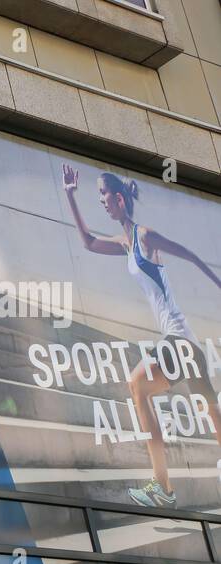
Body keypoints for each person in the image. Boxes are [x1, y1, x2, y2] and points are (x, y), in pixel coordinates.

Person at [63, 165, 221, 508]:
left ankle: (163, 487)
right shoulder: (125, 242)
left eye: (103, 195)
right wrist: (70, 196)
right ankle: (163, 486)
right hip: (187, 345)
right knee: (210, 411)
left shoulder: (145, 236)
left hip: (179, 339)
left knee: (138, 386)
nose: (102, 202)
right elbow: (88, 242)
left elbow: (190, 255)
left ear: (119, 198)